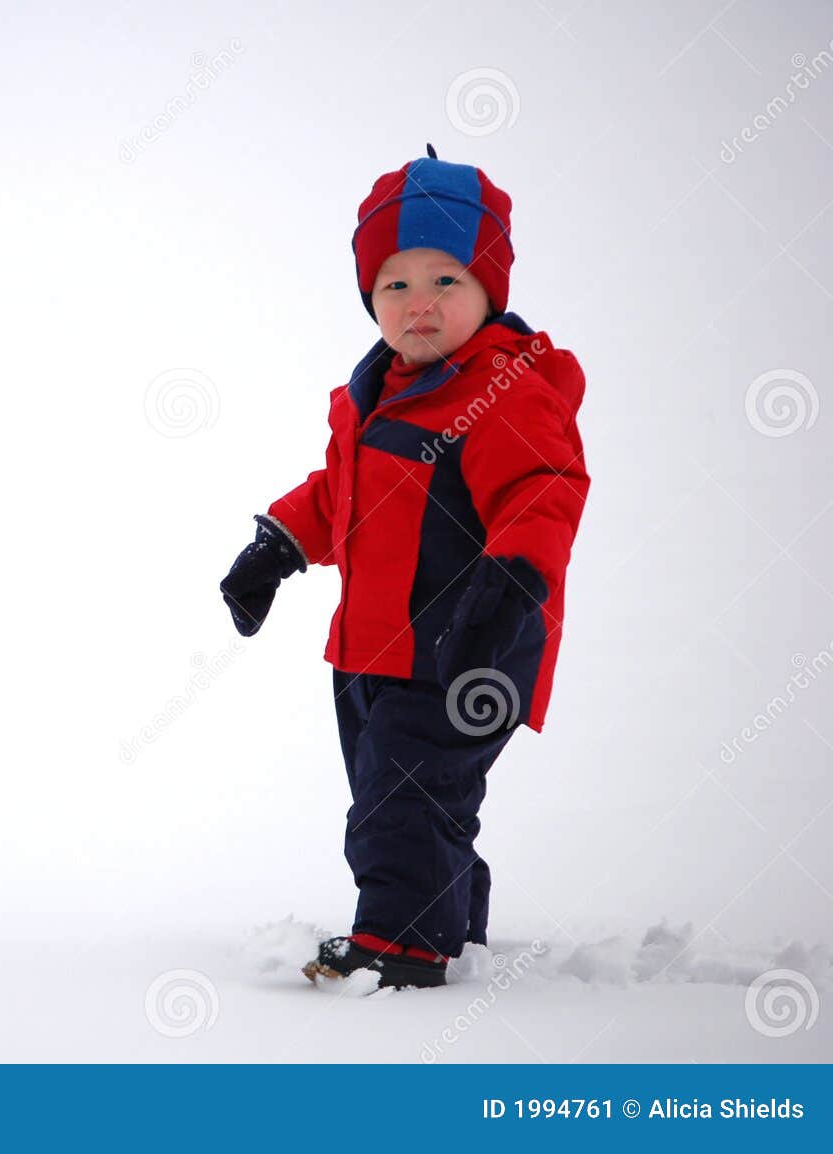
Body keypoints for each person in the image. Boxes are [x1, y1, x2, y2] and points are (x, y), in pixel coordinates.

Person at [219, 144, 591, 990]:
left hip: (466, 648)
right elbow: (338, 494)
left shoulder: (502, 394)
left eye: (445, 280)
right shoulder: (375, 396)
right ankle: (453, 929)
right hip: (372, 651)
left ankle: (401, 946)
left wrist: (510, 585)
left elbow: (543, 489)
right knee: (400, 791)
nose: (418, 303)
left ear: (490, 292)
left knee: (403, 796)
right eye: (395, 284)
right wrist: (276, 547)